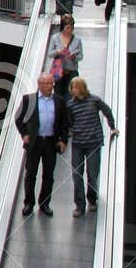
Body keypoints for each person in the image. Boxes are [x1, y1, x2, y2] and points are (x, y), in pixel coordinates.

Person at [15, 73, 71, 216]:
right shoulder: (29, 100)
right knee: (30, 174)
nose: (51, 86)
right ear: (39, 84)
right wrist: (24, 134)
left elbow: (66, 123)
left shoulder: (60, 101)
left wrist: (63, 141)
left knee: (48, 175)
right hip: (35, 142)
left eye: (52, 83)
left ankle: (44, 203)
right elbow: (18, 118)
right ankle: (28, 203)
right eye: (47, 83)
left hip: (51, 142)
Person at [66, 78, 117, 217]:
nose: (73, 90)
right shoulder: (70, 105)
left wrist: (112, 127)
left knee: (92, 174)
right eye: (71, 88)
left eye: (75, 87)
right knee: (77, 175)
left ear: (82, 88)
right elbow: (68, 122)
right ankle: (79, 205)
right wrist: (69, 132)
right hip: (78, 144)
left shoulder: (94, 100)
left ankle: (92, 199)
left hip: (93, 143)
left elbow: (107, 111)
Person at [45, 13, 83, 92]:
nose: (69, 30)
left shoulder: (77, 40)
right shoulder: (55, 38)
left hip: (72, 72)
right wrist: (57, 52)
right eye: (67, 27)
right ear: (63, 27)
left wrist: (74, 57)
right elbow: (50, 54)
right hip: (59, 71)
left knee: (70, 95)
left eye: (71, 27)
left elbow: (81, 56)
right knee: (58, 94)